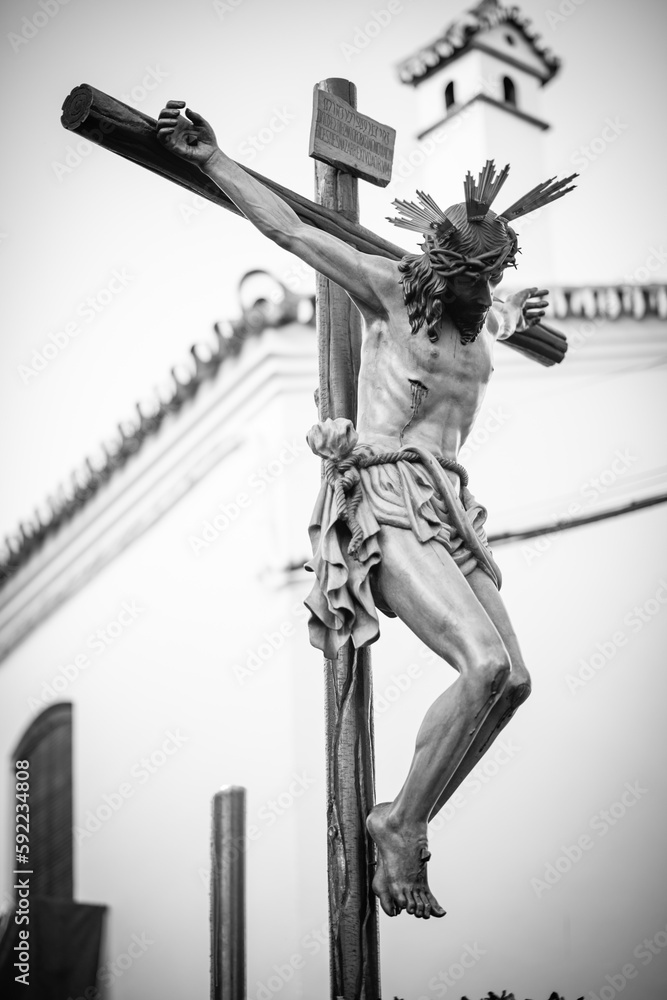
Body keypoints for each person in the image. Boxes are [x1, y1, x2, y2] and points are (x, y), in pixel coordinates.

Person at [157, 101, 575, 921]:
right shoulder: (388, 292)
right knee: (482, 666)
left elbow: (494, 313)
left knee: (513, 682)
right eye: (469, 278)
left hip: (452, 510)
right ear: (437, 264)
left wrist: (513, 314)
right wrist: (214, 160)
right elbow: (291, 234)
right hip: (384, 498)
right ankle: (402, 827)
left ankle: (401, 813)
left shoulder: (477, 322)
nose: (480, 291)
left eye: (491, 278)